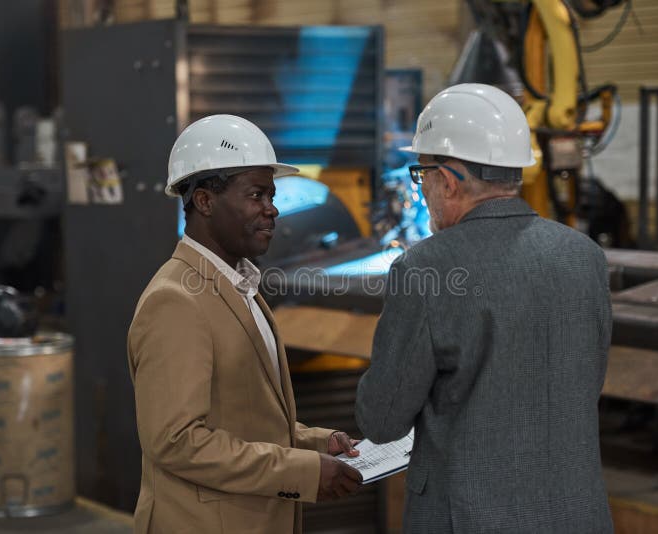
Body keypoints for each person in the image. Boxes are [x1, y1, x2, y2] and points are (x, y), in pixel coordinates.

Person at [355, 84, 613, 533]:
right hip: (579, 516)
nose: (424, 192)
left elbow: (382, 418)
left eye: (422, 177)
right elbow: (581, 386)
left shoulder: (425, 267)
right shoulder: (584, 255)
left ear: (448, 181)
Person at [128, 114, 362, 534]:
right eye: (256, 195)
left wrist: (314, 442)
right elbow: (177, 442)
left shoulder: (240, 285)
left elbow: (246, 420)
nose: (271, 210)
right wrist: (301, 471)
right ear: (204, 201)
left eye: (271, 195)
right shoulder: (176, 301)